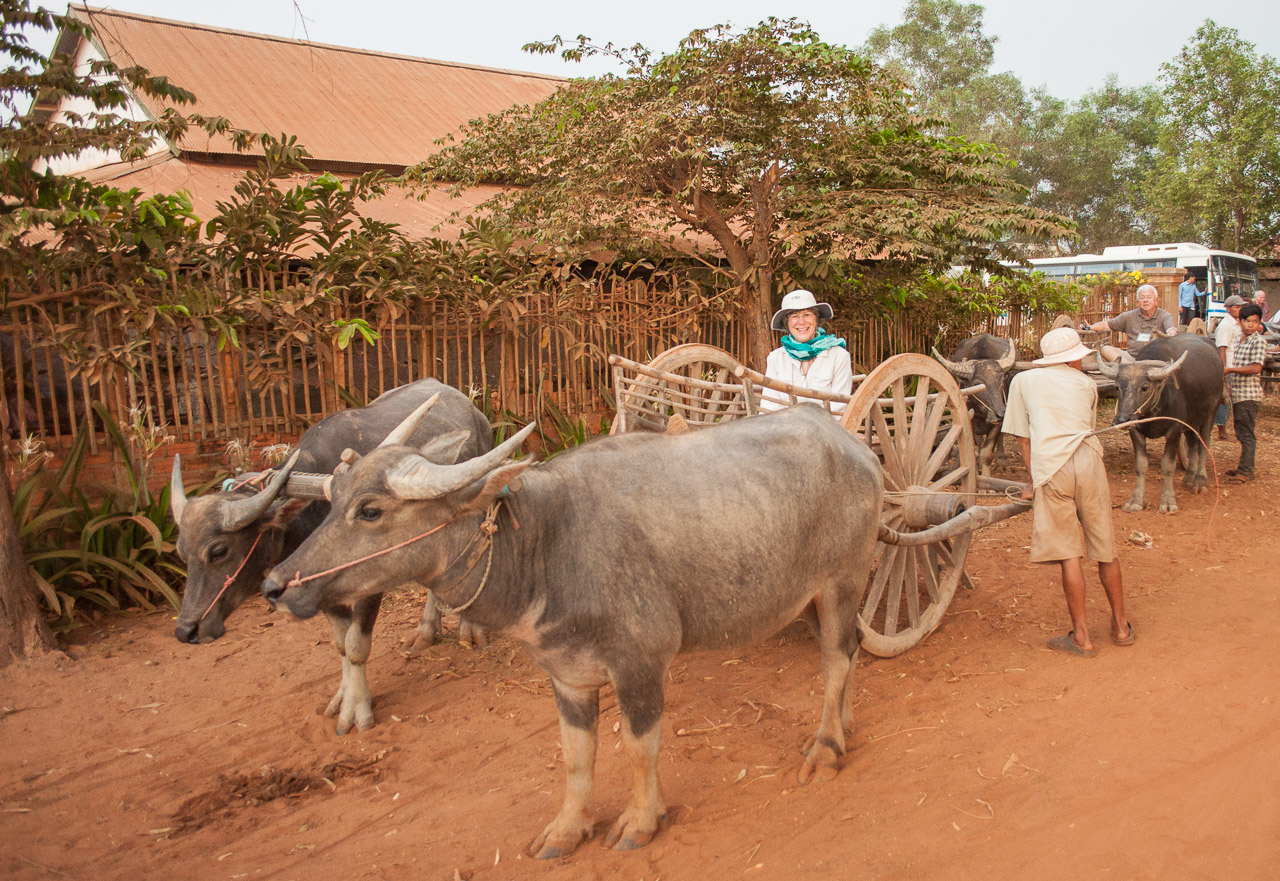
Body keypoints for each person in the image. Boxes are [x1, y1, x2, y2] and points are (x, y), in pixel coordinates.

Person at [1003, 327, 1133, 657]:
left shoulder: (1022, 381)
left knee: (1069, 554)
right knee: (1105, 548)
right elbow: (1085, 428)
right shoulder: (1087, 384)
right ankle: (1121, 627)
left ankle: (1082, 637)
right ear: (1074, 359)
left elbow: (1022, 438)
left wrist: (1034, 481)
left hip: (1052, 467)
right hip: (1089, 461)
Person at [760, 289, 854, 412]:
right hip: (784, 423)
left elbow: (839, 407)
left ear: (816, 319)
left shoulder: (839, 356)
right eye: (794, 316)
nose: (801, 322)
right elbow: (769, 405)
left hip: (826, 423)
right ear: (787, 323)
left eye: (807, 314)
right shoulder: (776, 358)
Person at [1224, 303, 1267, 481]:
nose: (1250, 325)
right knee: (1241, 431)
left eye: (1255, 322)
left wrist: (1230, 370)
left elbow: (1256, 368)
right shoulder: (1238, 340)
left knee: (1246, 433)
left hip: (1249, 395)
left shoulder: (1258, 341)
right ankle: (1243, 466)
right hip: (1238, 394)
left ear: (1259, 324)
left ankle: (1246, 471)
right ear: (1240, 321)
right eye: (1247, 321)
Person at [1080, 283, 1176, 361]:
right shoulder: (1129, 316)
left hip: (1157, 360)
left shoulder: (1164, 316)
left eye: (1149, 297)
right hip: (1131, 358)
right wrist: (1090, 327)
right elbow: (1106, 324)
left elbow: (1170, 329)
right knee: (1105, 349)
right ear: (1138, 302)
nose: (1145, 300)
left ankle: (1130, 370)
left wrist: (1171, 333)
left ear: (1155, 301)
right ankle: (1129, 368)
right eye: (1142, 298)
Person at [1214, 295, 1246, 440]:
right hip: (1230, 366)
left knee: (1231, 398)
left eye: (1241, 306)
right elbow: (1222, 348)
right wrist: (1224, 369)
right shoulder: (1225, 325)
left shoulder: (1237, 323)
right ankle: (1221, 431)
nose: (1239, 309)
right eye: (1236, 307)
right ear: (1228, 309)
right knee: (1225, 398)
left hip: (1237, 365)